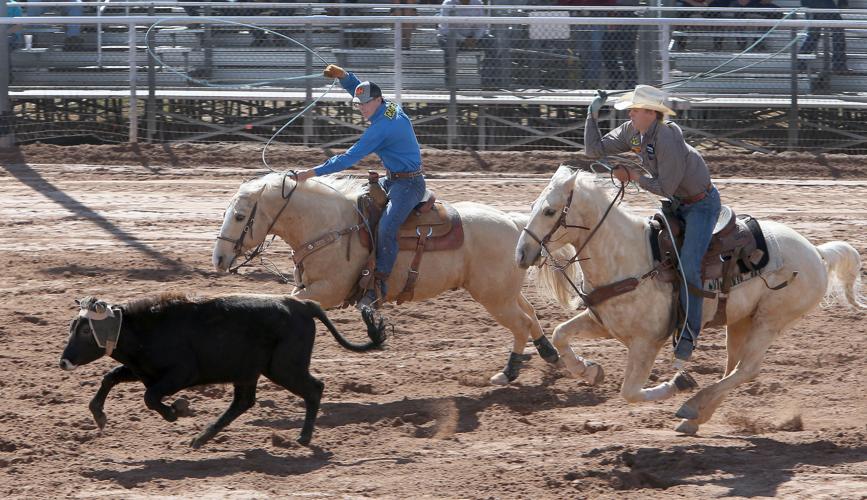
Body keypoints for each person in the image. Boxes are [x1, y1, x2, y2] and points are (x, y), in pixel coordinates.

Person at [583, 85, 721, 363]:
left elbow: (666, 187)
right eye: (631, 109)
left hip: (699, 206)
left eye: (635, 109)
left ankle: (688, 335)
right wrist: (591, 116)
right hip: (677, 204)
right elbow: (594, 151)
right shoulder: (632, 132)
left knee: (688, 266)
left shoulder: (668, 138)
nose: (630, 112)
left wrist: (633, 176)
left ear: (651, 113)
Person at [293, 64, 426, 311]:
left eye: (364, 104)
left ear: (377, 100)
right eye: (358, 104)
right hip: (395, 179)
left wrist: (310, 173)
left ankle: (380, 285)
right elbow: (360, 90)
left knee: (386, 226)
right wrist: (344, 76)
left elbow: (347, 158)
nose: (361, 108)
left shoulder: (381, 129)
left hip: (408, 185)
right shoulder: (389, 109)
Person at [436, 0, 501, 89]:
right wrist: (464, 39)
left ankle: (488, 82)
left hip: (473, 37)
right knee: (450, 46)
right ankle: (451, 84)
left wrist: (475, 38)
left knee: (492, 42)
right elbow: (445, 29)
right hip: (451, 37)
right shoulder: (448, 3)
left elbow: (482, 25)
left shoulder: (478, 3)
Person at [799, 0, 849, 74]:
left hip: (808, 3)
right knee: (838, 29)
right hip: (823, 3)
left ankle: (800, 64)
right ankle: (839, 65)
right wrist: (842, 4)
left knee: (813, 34)